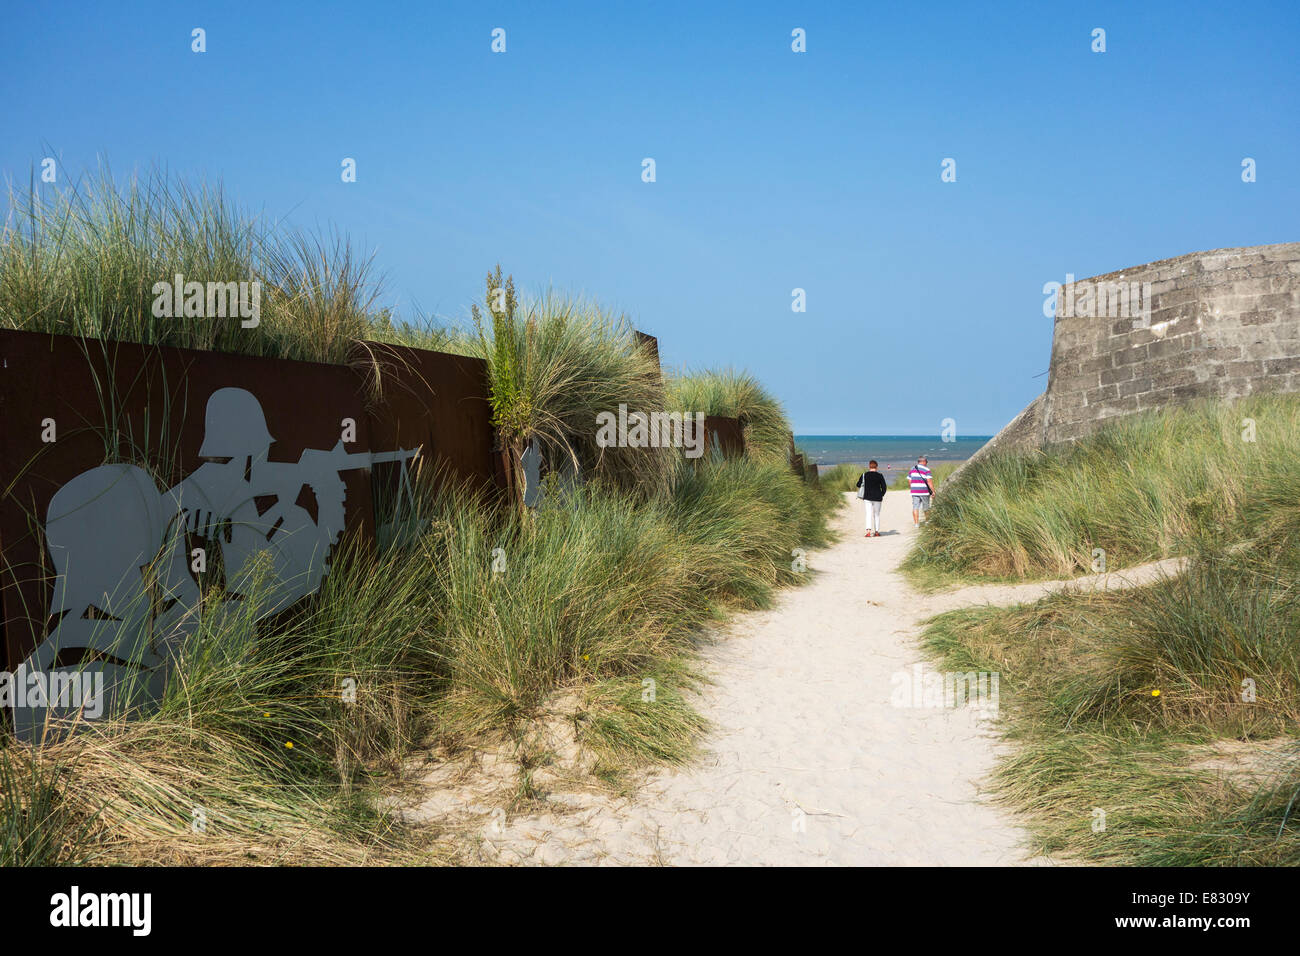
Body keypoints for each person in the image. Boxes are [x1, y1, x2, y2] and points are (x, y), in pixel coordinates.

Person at [856, 460, 887, 537]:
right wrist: (881, 494)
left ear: (869, 466)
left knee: (868, 514)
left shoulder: (864, 475)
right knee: (876, 515)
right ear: (876, 467)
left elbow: (858, 484)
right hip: (877, 497)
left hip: (867, 497)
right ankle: (876, 532)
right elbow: (884, 487)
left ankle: (868, 532)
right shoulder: (880, 475)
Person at [908, 455, 935, 525]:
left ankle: (916, 524)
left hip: (914, 491)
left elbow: (909, 481)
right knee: (926, 507)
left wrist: (912, 488)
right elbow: (929, 482)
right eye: (926, 462)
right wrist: (933, 491)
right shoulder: (927, 469)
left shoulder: (912, 469)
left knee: (915, 507)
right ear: (924, 461)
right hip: (924, 491)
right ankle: (927, 522)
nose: (927, 463)